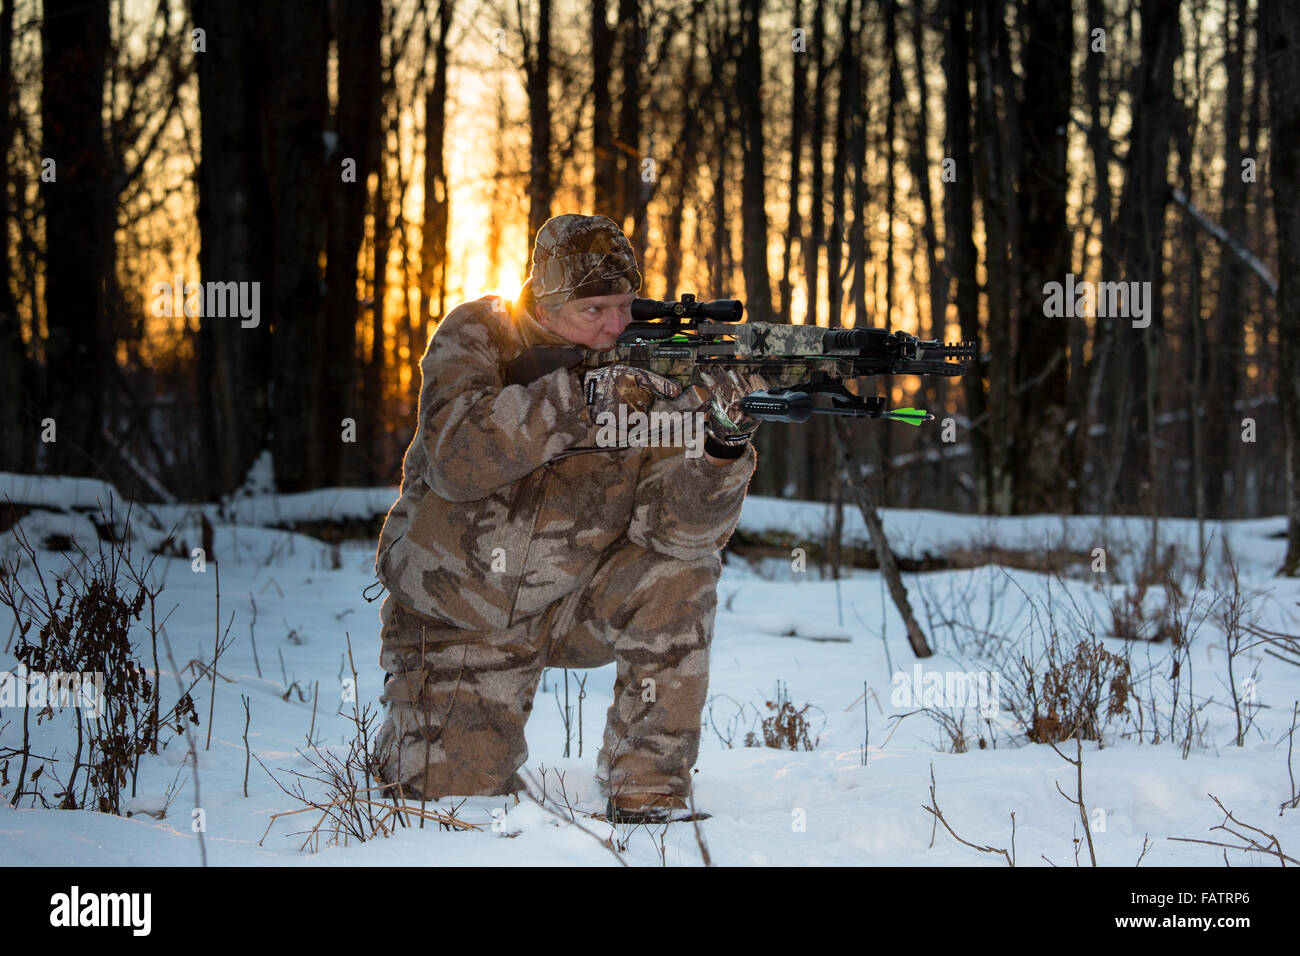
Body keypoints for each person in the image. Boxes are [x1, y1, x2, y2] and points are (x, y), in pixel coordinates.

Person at [372, 213, 769, 823]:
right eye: (595, 311)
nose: (616, 328)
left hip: (572, 600)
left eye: (626, 307)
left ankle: (647, 791)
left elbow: (679, 534)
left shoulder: (654, 372)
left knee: (681, 576)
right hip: (459, 611)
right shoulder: (479, 333)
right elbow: (456, 458)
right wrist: (582, 400)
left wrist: (722, 442)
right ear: (546, 304)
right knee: (445, 808)